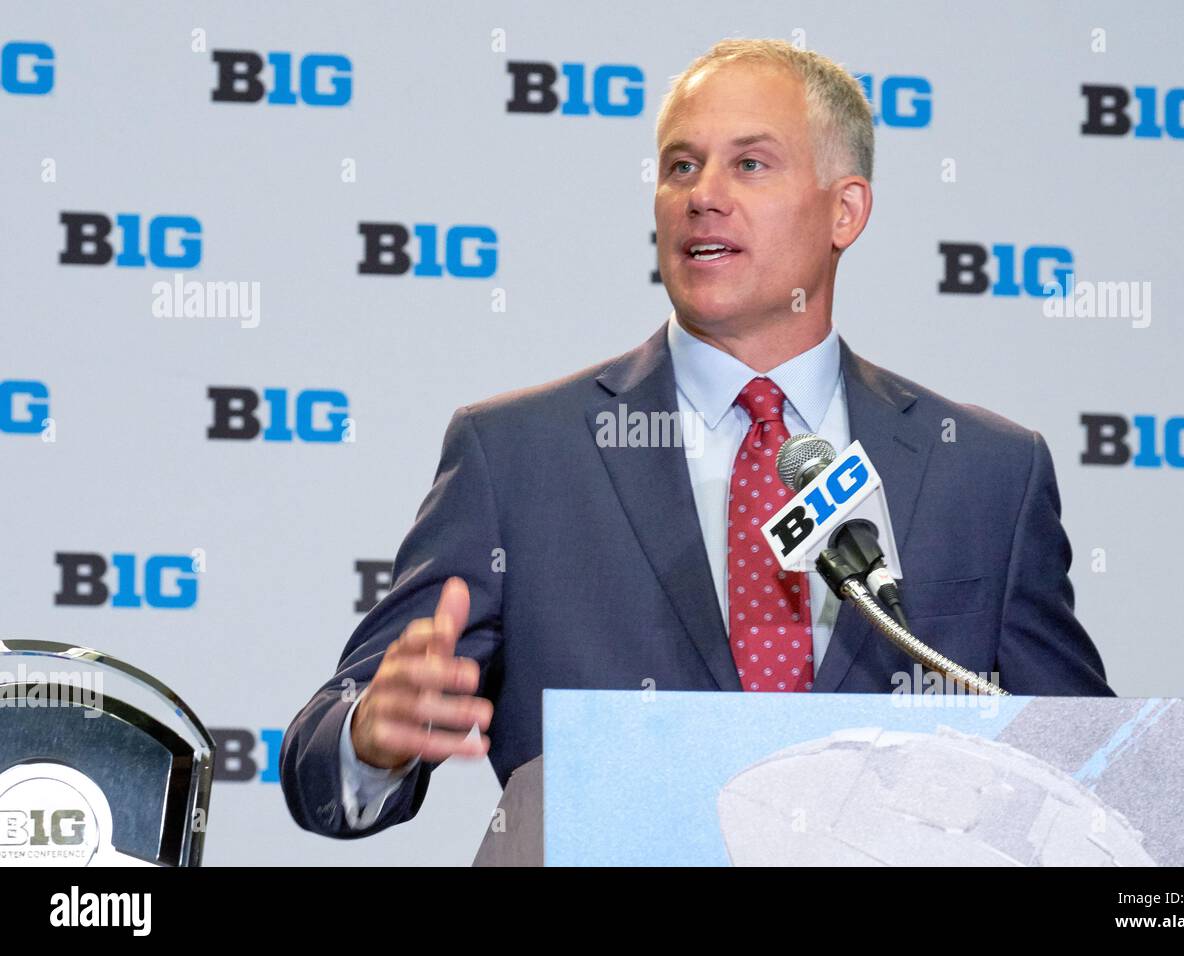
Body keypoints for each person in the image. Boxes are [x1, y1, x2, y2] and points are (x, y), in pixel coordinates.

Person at [281, 38, 1113, 839]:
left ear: (846, 209)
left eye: (749, 164)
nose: (701, 194)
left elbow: (1083, 777)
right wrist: (369, 738)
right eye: (682, 165)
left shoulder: (987, 475)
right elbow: (320, 763)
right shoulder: (518, 456)